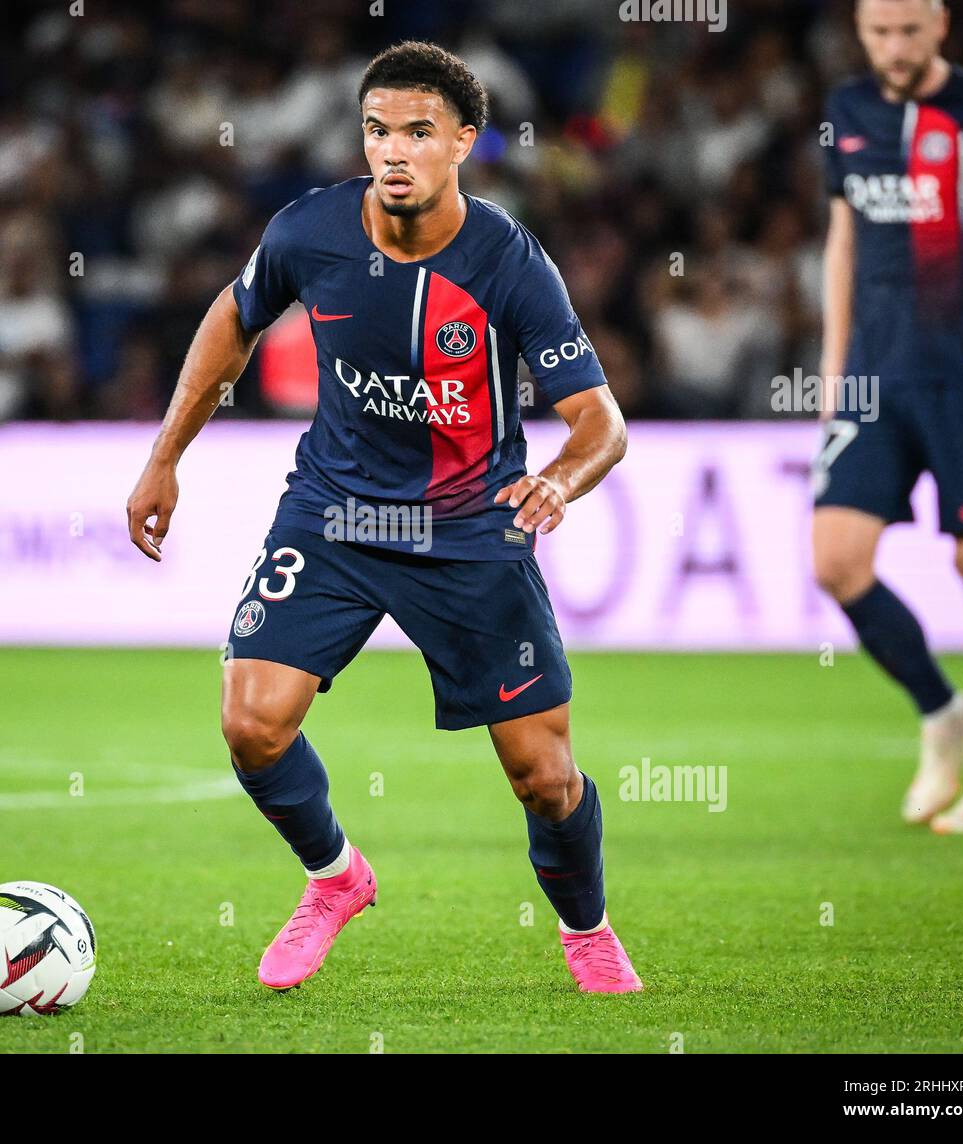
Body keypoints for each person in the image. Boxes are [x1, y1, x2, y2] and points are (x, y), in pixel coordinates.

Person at [126, 41, 639, 992]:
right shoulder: (309, 233)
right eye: (376, 131)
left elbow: (600, 424)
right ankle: (335, 880)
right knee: (251, 722)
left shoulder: (509, 263)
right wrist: (164, 457)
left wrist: (560, 482)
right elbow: (232, 320)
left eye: (417, 133)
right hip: (335, 516)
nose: (392, 151)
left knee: (543, 775)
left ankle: (587, 929)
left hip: (470, 533)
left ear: (465, 144)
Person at [814, 0, 963, 833]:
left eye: (909, 30)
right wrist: (834, 367)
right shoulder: (847, 112)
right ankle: (944, 713)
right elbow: (842, 240)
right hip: (874, 376)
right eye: (878, 32)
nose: (893, 47)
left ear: (941, 23)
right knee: (836, 562)